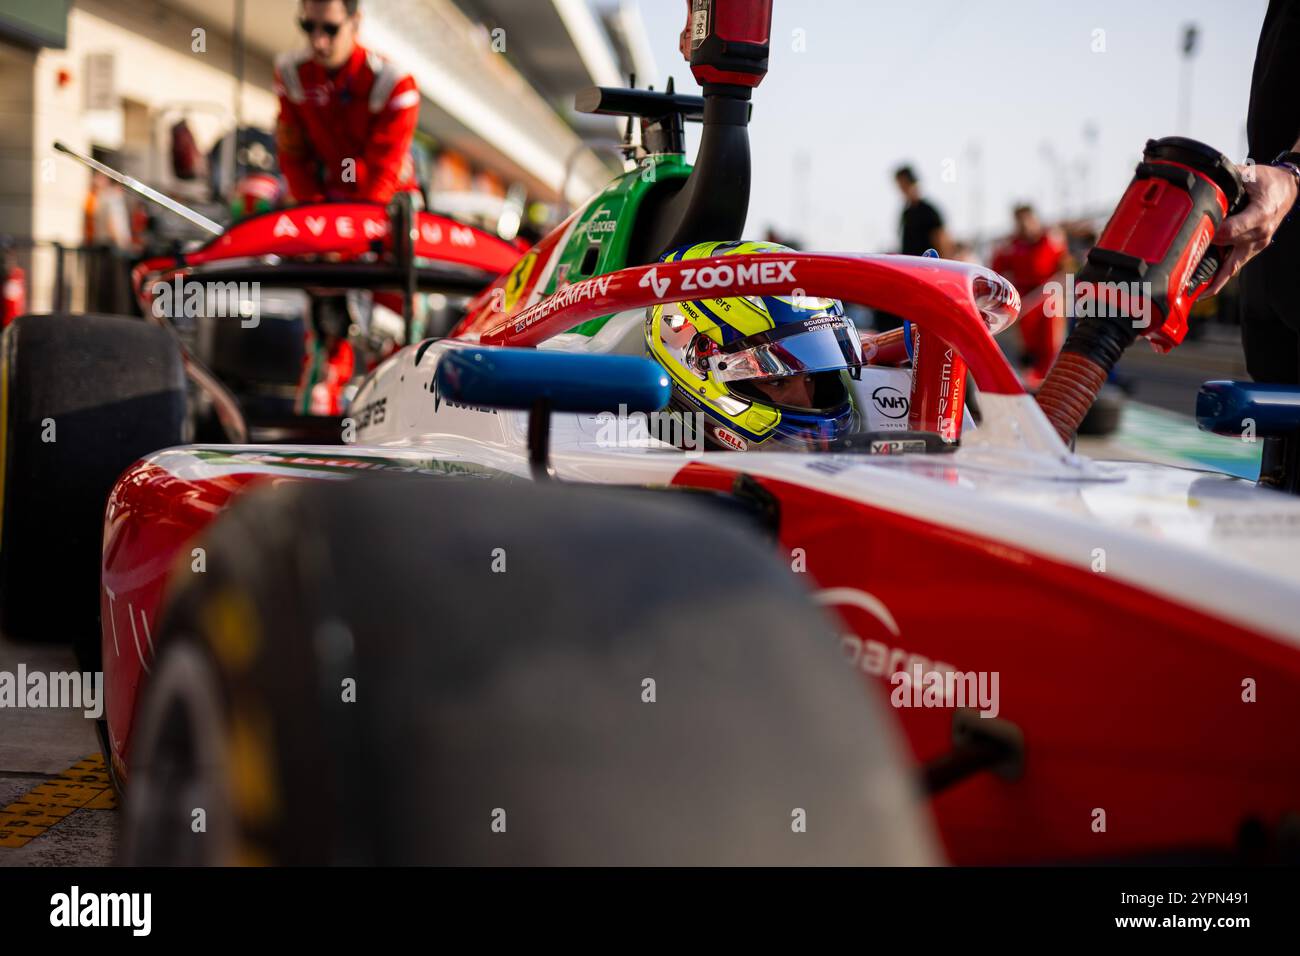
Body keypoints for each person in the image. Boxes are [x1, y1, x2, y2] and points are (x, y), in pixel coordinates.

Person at [646, 240, 863, 451]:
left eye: (812, 377)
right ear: (697, 362)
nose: (805, 400)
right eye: (777, 381)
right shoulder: (624, 448)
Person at [274, 0, 420, 205]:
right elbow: (292, 154)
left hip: (387, 206)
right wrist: (311, 210)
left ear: (356, 22)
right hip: (323, 201)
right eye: (308, 27)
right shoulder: (291, 74)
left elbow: (385, 168)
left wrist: (359, 217)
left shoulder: (393, 82)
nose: (318, 41)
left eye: (330, 29)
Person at [991, 204, 1069, 387]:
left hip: (1049, 299)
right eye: (1020, 222)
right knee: (1030, 348)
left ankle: (1053, 382)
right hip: (1025, 304)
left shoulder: (1052, 240)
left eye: (1028, 220)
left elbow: (1067, 269)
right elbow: (997, 273)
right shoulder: (1010, 247)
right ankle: (1033, 383)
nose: (1025, 226)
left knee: (1051, 347)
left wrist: (1053, 290)